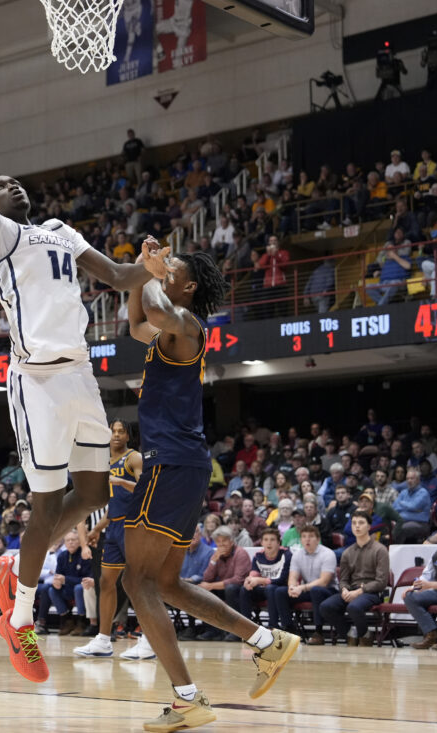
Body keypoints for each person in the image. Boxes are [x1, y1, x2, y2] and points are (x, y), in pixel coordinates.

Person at [0, 45, 159, 684]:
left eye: (15, 182)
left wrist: (150, 269)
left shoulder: (59, 229)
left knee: (95, 494)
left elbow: (117, 277)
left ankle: (12, 564)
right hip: (37, 381)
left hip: (80, 373)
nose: (11, 185)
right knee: (47, 501)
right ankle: (19, 618)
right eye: (2, 185)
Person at [122, 242, 297, 731]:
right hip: (183, 466)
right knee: (166, 584)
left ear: (189, 285)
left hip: (170, 465)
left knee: (136, 581)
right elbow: (136, 323)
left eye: (170, 269)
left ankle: (186, 700)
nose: (163, 270)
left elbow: (156, 311)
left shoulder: (188, 324)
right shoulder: (167, 331)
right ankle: (267, 642)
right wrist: (139, 272)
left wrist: (147, 274)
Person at [75, 419, 143, 659]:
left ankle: (149, 640)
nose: (116, 435)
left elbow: (146, 490)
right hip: (113, 527)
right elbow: (114, 505)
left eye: (121, 431)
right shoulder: (105, 464)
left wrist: (122, 481)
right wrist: (96, 529)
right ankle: (103, 640)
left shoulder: (134, 458)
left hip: (132, 526)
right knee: (106, 582)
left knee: (138, 583)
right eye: (113, 431)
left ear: (128, 436)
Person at [319, 511, 390, 646]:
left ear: (369, 526)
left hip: (372, 592)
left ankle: (365, 634)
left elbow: (381, 582)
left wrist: (359, 591)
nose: (357, 526)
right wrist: (344, 589)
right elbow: (343, 579)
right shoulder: (347, 552)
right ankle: (350, 633)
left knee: (354, 607)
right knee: (325, 606)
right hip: (351, 590)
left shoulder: (380, 550)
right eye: (354, 523)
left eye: (361, 523)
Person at [279, 525, 338, 645]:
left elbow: (324, 581)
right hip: (308, 590)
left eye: (311, 536)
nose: (307, 539)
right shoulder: (297, 555)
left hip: (329, 591)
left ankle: (318, 633)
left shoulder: (328, 554)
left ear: (318, 539)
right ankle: (289, 630)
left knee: (316, 590)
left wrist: (302, 587)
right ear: (300, 540)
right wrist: (292, 587)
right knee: (280, 592)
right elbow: (293, 576)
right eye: (304, 537)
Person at [238, 528, 292, 630]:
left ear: (278, 543)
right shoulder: (258, 555)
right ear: (262, 542)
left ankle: (273, 626)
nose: (269, 543)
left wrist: (260, 580)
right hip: (264, 588)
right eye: (266, 540)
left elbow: (282, 579)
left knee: (270, 588)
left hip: (280, 589)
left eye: (272, 540)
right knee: (245, 589)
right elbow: (254, 572)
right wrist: (249, 580)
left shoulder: (286, 554)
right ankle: (246, 627)